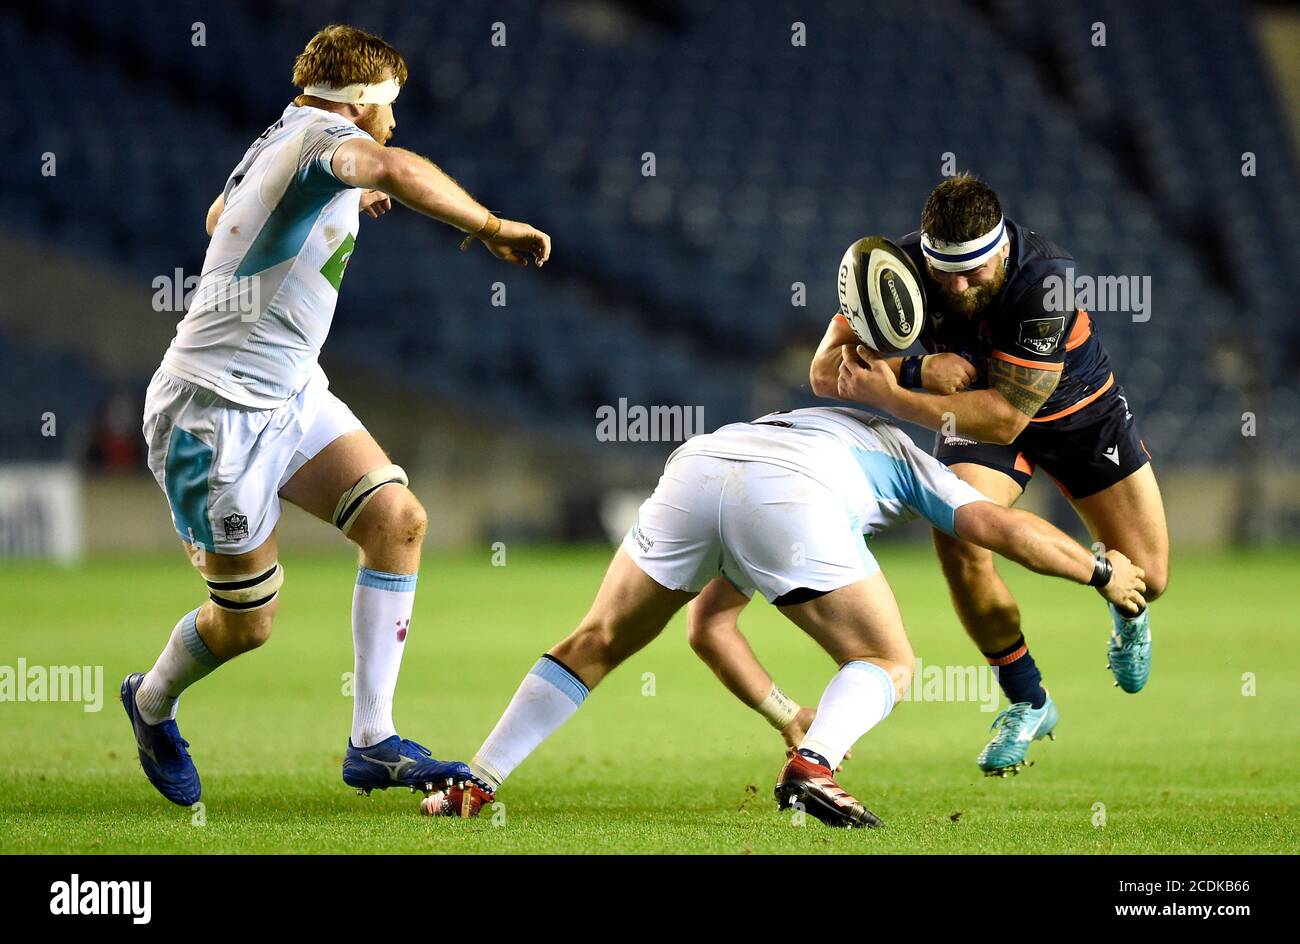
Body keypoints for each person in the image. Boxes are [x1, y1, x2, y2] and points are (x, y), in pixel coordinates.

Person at [121, 24, 551, 806]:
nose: (394, 122)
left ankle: (372, 742)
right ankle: (151, 703)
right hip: (213, 414)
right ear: (361, 105)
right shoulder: (328, 136)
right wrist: (489, 227)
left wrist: (339, 191)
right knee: (247, 623)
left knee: (397, 519)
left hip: (289, 392)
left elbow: (222, 217)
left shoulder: (285, 133)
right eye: (390, 108)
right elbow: (382, 158)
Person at [435, 407, 1143, 827]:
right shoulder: (908, 457)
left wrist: (785, 712)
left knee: (596, 641)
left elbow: (708, 629)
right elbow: (998, 530)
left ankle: (478, 778)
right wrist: (1103, 570)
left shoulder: (806, 421)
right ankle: (814, 769)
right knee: (887, 664)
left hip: (703, 464)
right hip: (790, 495)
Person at [811, 175, 1169, 774]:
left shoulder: (1046, 282)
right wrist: (920, 370)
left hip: (1078, 414)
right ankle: (1029, 700)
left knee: (1150, 578)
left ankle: (1127, 608)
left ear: (1001, 249)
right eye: (943, 270)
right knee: (960, 537)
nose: (955, 285)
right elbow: (825, 371)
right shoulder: (894, 272)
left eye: (971, 271)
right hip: (971, 418)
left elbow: (1006, 418)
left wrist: (897, 394)